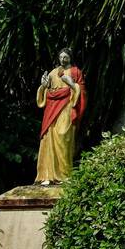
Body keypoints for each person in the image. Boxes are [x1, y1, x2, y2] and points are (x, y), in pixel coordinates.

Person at [35, 48, 86, 184]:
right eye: (61, 57)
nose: (63, 60)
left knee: (63, 136)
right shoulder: (53, 73)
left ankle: (65, 175)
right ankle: (47, 175)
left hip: (67, 107)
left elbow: (81, 91)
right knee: (48, 137)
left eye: (66, 57)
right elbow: (46, 91)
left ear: (70, 58)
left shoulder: (76, 72)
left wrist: (72, 84)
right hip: (52, 109)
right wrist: (43, 87)